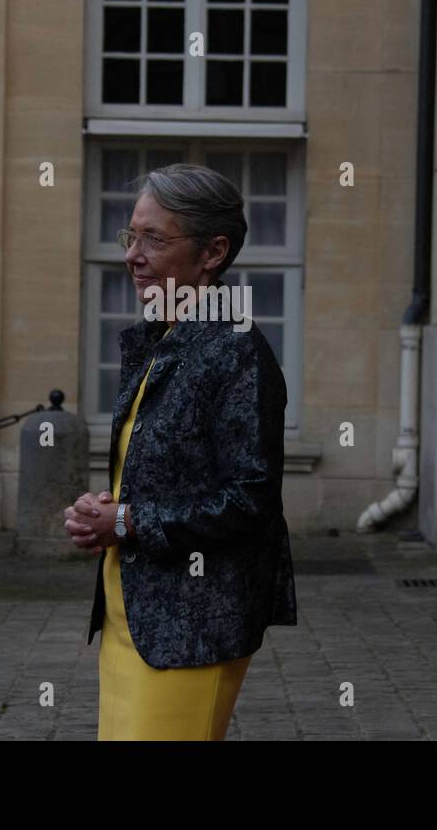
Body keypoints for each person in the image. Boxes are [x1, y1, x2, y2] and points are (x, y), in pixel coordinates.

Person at [63, 163, 297, 741]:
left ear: (213, 251)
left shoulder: (235, 350)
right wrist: (105, 511)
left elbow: (249, 501)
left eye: (154, 239)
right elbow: (164, 472)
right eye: (131, 236)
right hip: (131, 613)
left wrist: (129, 519)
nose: (132, 256)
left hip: (191, 625)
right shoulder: (160, 338)